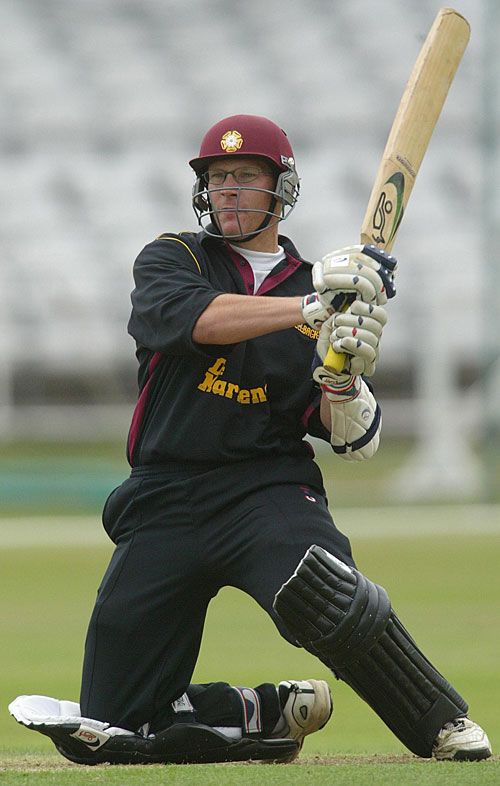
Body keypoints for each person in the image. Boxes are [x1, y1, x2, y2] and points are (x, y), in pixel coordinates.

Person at [9, 114, 491, 765]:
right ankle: (260, 709)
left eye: (244, 177)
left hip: (266, 489)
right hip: (165, 494)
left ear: (280, 188)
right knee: (113, 727)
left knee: (322, 593)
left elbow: (354, 439)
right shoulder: (175, 257)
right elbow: (196, 321)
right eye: (217, 178)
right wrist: (312, 309)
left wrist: (343, 379)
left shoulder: (321, 286)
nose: (228, 190)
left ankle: (442, 722)